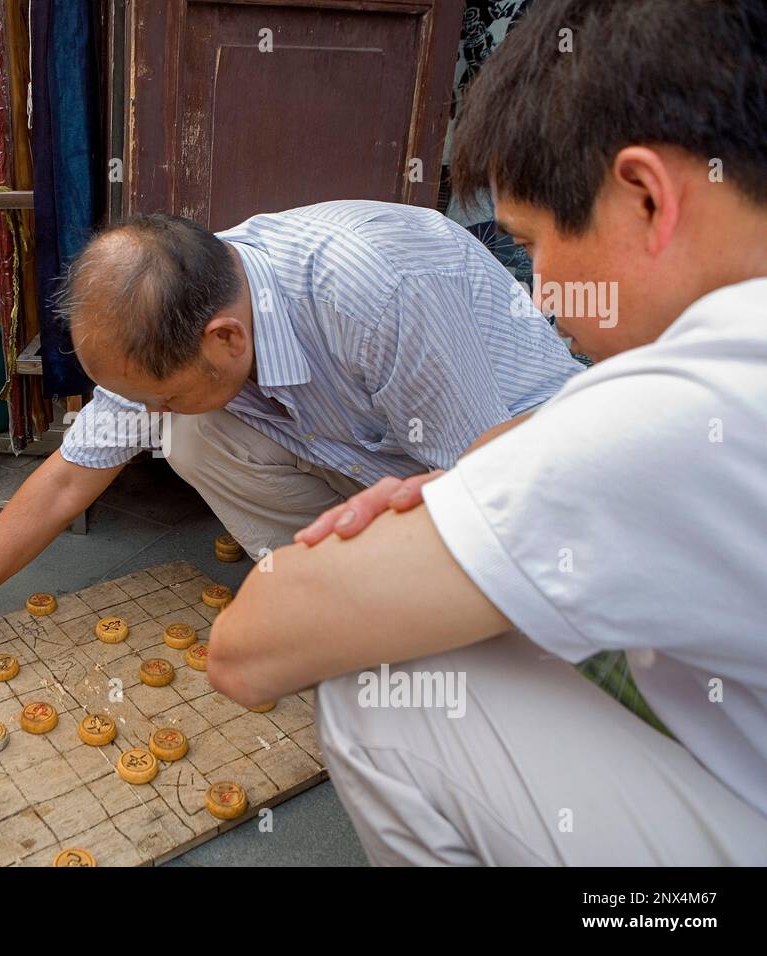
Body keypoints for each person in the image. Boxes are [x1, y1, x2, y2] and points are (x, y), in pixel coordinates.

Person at [207, 0, 767, 864]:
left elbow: (248, 652)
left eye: (534, 242)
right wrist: (495, 488)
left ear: (648, 199)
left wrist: (451, 521)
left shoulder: (687, 410)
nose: (542, 292)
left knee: (387, 694)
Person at [0, 201, 581, 661]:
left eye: (155, 394)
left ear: (225, 340)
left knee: (474, 639)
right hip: (367, 447)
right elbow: (69, 476)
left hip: (522, 459)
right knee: (188, 434)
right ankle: (339, 600)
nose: (144, 412)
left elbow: (488, 482)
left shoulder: (377, 291)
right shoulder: (177, 299)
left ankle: (386, 615)